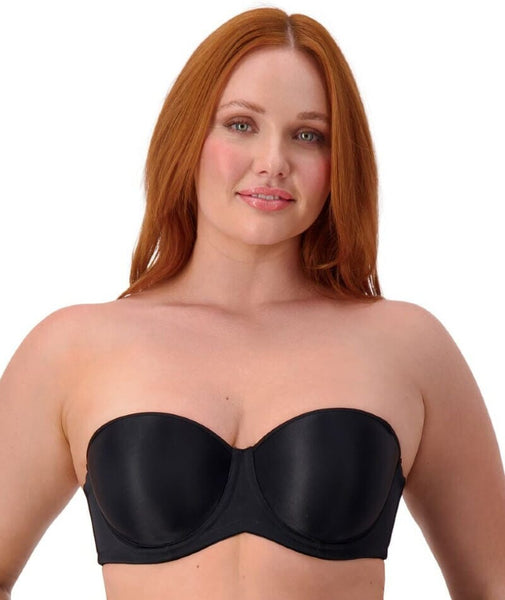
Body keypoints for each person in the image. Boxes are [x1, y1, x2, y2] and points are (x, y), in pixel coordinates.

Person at [1, 7, 504, 599]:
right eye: (241, 124)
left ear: (339, 162)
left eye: (308, 135)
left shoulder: (409, 347)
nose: (273, 162)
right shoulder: (73, 349)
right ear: (188, 137)